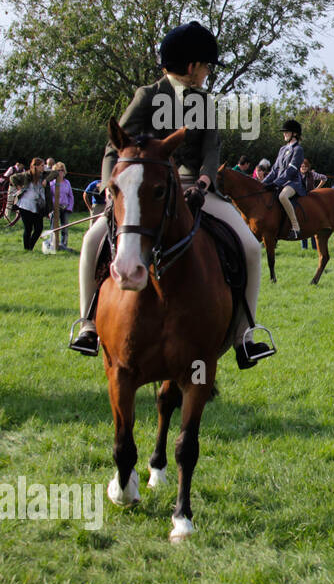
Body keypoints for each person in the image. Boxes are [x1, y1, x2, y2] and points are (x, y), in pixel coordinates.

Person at [69, 21, 274, 369]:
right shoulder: (147, 96)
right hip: (145, 192)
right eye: (207, 66)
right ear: (193, 66)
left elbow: (212, 148)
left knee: (251, 248)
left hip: (196, 189)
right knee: (92, 241)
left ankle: (245, 334)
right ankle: (88, 325)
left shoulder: (206, 102)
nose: (209, 73)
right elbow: (113, 146)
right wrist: (109, 189)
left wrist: (205, 183)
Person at [264, 120, 307, 240]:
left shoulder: (298, 149)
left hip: (293, 183)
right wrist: (262, 184)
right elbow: (274, 170)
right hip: (281, 182)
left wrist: (275, 183)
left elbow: (291, 170)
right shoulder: (282, 149)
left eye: (286, 132)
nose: (284, 134)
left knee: (282, 196)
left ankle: (296, 227)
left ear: (294, 134)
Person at [10, 157, 49, 250]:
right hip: (25, 205)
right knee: (28, 229)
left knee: (39, 228)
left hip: (38, 205)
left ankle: (30, 247)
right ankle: (27, 249)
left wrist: (46, 180)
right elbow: (12, 177)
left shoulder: (44, 175)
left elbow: (55, 173)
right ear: (35, 166)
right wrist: (19, 187)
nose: (43, 167)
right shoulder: (27, 175)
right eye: (42, 166)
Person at [48, 162, 74, 250]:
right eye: (58, 170)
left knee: (65, 228)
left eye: (62, 170)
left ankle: (63, 245)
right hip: (55, 208)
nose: (60, 172)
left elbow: (71, 196)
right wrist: (51, 208)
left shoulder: (67, 182)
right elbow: (49, 196)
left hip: (65, 207)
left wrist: (69, 207)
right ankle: (53, 244)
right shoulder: (51, 183)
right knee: (54, 227)